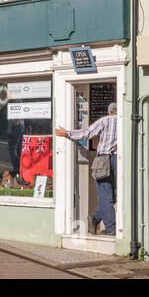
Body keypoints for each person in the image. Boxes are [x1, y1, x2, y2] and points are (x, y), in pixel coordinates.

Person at [55, 101, 119, 236]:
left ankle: (110, 227)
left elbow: (87, 133)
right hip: (118, 159)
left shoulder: (105, 120)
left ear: (109, 111)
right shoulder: (124, 122)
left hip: (103, 158)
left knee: (105, 195)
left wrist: (66, 133)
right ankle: (94, 218)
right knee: (115, 194)